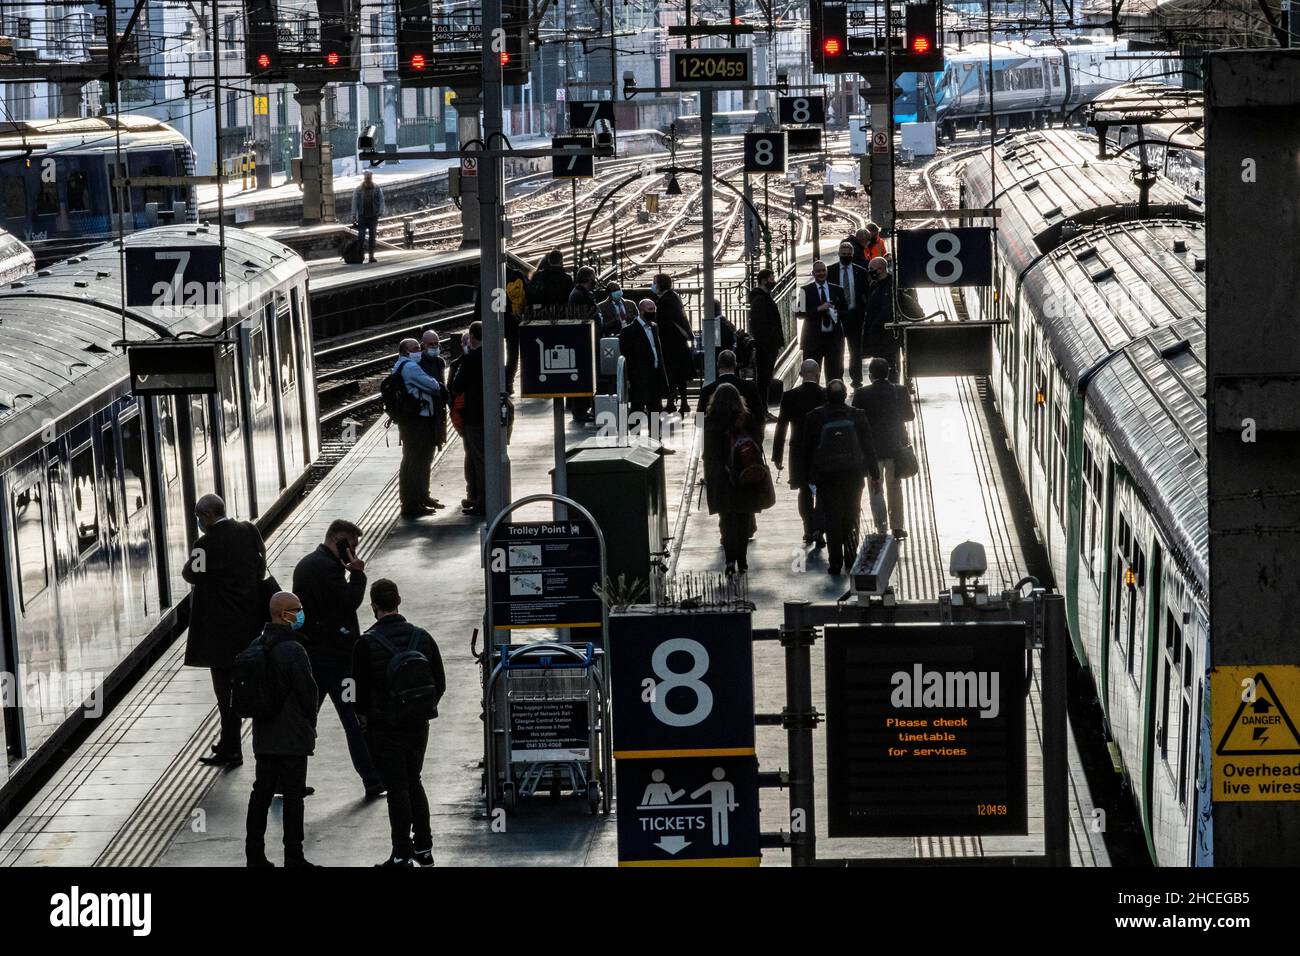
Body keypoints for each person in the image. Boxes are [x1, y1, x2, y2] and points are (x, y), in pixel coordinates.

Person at [353, 579, 445, 867]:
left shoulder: (365, 643)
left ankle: (401, 852)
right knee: (414, 779)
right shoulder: (423, 637)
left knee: (396, 787)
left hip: (385, 727)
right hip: (418, 725)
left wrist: (370, 719)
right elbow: (439, 683)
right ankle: (424, 847)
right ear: (399, 601)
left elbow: (357, 694)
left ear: (373, 606)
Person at [292, 519, 384, 800]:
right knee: (354, 722)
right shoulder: (327, 569)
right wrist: (357, 574)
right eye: (351, 546)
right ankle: (372, 780)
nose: (354, 552)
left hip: (314, 658)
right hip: (338, 661)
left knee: (305, 720)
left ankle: (287, 781)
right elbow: (347, 603)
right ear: (338, 541)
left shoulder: (307, 564)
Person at [183, 493, 268, 768]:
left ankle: (231, 749)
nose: (199, 522)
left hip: (220, 636)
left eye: (199, 517)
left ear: (207, 516)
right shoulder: (248, 530)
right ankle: (231, 744)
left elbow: (190, 574)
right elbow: (260, 565)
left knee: (226, 695)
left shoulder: (205, 544)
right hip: (251, 627)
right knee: (246, 688)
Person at [245, 591, 318, 868]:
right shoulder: (294, 650)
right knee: (293, 797)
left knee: (260, 795)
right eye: (297, 610)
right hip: (292, 739)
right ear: (282, 614)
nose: (301, 614)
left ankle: (254, 855)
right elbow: (308, 693)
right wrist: (310, 725)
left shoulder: (256, 645)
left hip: (264, 738)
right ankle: (294, 856)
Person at [801, 379, 880, 575]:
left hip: (826, 477)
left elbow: (806, 450)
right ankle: (851, 558)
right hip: (853, 475)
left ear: (826, 396)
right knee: (852, 515)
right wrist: (875, 476)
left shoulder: (814, 417)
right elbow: (869, 447)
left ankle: (835, 562)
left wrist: (808, 476)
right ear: (846, 395)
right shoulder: (857, 415)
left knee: (831, 517)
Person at [703, 383, 766, 575]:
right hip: (745, 475)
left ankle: (729, 560)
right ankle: (742, 560)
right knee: (743, 517)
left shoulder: (710, 422)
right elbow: (758, 443)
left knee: (726, 519)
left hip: (722, 477)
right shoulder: (747, 419)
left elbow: (709, 453)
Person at [853, 357, 912, 539]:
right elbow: (909, 416)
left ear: (870, 375)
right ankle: (897, 527)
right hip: (895, 447)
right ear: (889, 373)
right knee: (895, 486)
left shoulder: (861, 393)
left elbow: (855, 420)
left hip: (872, 450)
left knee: (875, 488)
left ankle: (881, 526)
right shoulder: (900, 391)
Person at [773, 359, 827, 547]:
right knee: (822, 490)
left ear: (801, 374)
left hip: (798, 451)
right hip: (822, 450)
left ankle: (808, 529)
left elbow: (781, 427)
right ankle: (819, 527)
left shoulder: (789, 397)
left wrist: (777, 456)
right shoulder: (824, 395)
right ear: (818, 373)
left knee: (804, 491)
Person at [392, 338, 443, 519]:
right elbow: (433, 385)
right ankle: (413, 504)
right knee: (418, 462)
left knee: (409, 462)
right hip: (419, 422)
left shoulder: (398, 365)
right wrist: (434, 384)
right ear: (406, 351)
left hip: (408, 422)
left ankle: (416, 498)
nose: (418, 351)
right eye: (415, 348)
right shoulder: (410, 367)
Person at [451, 321, 486, 516]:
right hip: (493, 414)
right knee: (485, 457)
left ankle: (482, 501)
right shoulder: (494, 354)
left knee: (478, 459)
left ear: (472, 337)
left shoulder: (471, 358)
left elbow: (457, 385)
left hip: (474, 415)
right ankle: (480, 497)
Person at [827, 240, 872, 387]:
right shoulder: (831, 271)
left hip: (855, 315)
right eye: (843, 254)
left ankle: (856, 378)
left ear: (852, 255)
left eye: (848, 254)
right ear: (839, 254)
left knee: (856, 350)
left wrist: (865, 313)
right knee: (837, 350)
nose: (846, 256)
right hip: (838, 315)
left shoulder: (861, 271)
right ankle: (837, 377)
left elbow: (866, 293)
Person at [619, 298, 671, 420]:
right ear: (641, 311)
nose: (653, 312)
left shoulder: (654, 327)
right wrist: (630, 377)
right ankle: (635, 437)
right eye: (650, 309)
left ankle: (655, 437)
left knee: (656, 409)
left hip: (655, 374)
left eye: (654, 309)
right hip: (639, 377)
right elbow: (627, 355)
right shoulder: (629, 331)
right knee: (637, 408)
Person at [698, 349, 764, 444]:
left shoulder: (707, 390)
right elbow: (760, 416)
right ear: (735, 365)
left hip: (717, 444)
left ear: (718, 365)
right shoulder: (750, 387)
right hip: (745, 445)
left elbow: (699, 422)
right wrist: (758, 439)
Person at [798, 260, 849, 382]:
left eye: (823, 270)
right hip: (813, 339)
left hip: (833, 339)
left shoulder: (837, 290)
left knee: (835, 374)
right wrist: (819, 308)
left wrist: (835, 313)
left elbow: (846, 312)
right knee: (811, 377)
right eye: (818, 271)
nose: (821, 273)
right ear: (813, 273)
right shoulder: (805, 290)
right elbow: (799, 313)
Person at [652, 273, 695, 416]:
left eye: (654, 282)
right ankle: (681, 402)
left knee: (672, 373)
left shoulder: (666, 300)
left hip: (671, 343)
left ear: (660, 284)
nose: (653, 285)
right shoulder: (673, 297)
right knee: (679, 374)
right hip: (678, 343)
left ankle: (674, 402)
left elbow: (665, 323)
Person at [747, 268, 786, 409]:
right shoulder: (760, 299)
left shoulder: (764, 298)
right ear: (764, 280)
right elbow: (761, 325)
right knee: (763, 379)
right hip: (766, 347)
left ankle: (763, 409)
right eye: (771, 278)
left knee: (765, 378)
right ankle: (762, 409)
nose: (773, 281)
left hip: (769, 345)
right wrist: (769, 342)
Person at [566, 267, 601, 423]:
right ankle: (579, 411)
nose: (595, 280)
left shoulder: (581, 293)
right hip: (583, 340)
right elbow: (583, 317)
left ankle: (582, 409)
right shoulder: (579, 295)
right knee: (582, 377)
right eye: (593, 277)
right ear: (588, 278)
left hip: (585, 339)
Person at [863, 256, 901, 382]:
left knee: (889, 366)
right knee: (879, 366)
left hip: (887, 336)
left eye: (871, 268)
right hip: (877, 338)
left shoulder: (891, 286)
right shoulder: (874, 285)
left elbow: (888, 310)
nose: (869, 271)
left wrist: (874, 326)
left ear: (880, 269)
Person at [418, 330, 449, 478]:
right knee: (422, 454)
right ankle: (420, 493)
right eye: (431, 344)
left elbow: (442, 385)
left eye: (437, 344)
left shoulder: (440, 362)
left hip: (437, 410)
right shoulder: (417, 362)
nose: (434, 347)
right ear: (423, 345)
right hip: (424, 412)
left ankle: (425, 492)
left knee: (431, 452)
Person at [527, 249, 574, 318]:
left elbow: (530, 295)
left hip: (541, 313)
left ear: (549, 261)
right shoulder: (567, 278)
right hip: (561, 314)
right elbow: (569, 299)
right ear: (561, 261)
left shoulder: (538, 276)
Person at [351, 171, 385, 264]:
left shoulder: (377, 188)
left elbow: (381, 201)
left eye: (369, 178)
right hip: (362, 216)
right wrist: (354, 215)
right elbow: (354, 203)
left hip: (373, 217)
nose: (368, 180)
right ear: (364, 178)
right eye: (366, 178)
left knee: (372, 237)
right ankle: (360, 256)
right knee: (361, 237)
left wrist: (380, 212)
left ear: (371, 178)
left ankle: (371, 256)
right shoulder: (358, 190)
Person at [503, 266, 527, 395]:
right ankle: (509, 383)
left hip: (496, 321)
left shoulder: (489, 276)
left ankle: (499, 380)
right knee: (513, 354)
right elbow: (528, 294)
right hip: (514, 320)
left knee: (495, 354)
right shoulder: (517, 275)